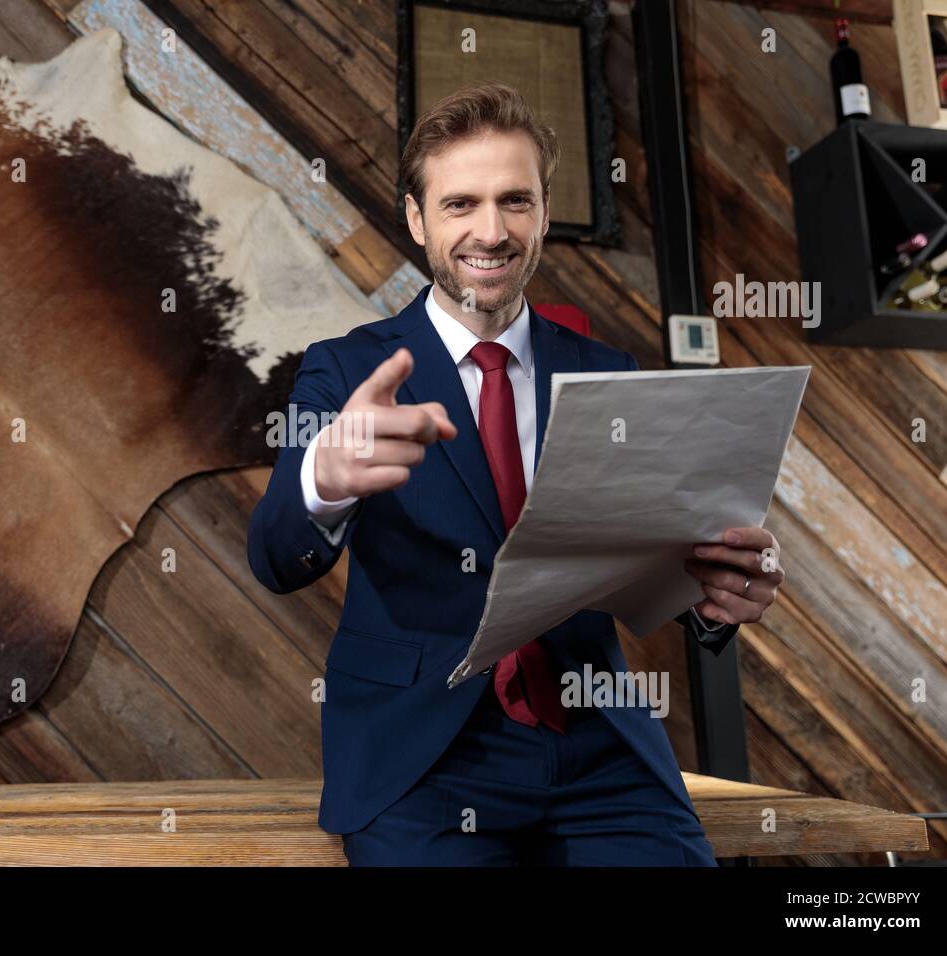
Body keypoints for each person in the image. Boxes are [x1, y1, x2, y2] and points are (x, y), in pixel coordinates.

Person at [246, 83, 783, 866]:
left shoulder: (609, 373)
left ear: (542, 212)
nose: (490, 232)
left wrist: (713, 598)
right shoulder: (346, 369)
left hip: (600, 749)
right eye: (461, 203)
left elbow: (652, 563)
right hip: (421, 757)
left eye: (515, 201)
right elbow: (274, 558)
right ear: (417, 218)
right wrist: (324, 477)